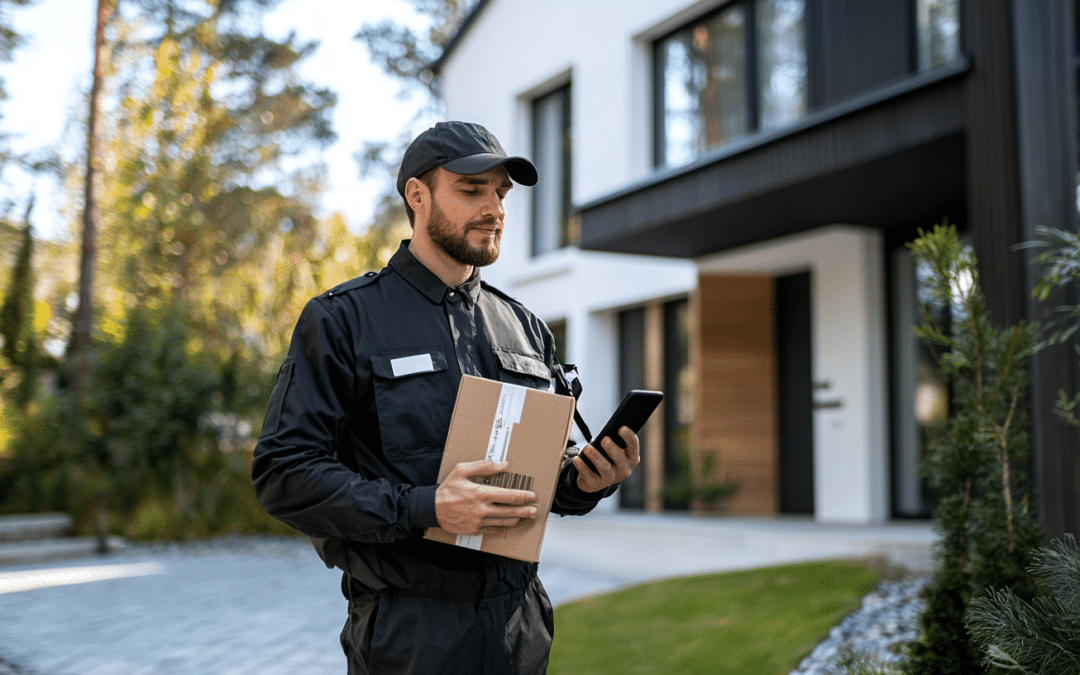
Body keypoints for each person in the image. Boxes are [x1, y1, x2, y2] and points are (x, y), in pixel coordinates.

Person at [251, 120, 640, 675]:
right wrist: (426, 506)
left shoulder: (526, 327)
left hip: (519, 628)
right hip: (409, 632)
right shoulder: (343, 319)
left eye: (500, 193)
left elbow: (537, 479)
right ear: (417, 194)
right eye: (472, 189)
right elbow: (283, 474)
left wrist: (583, 482)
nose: (495, 208)